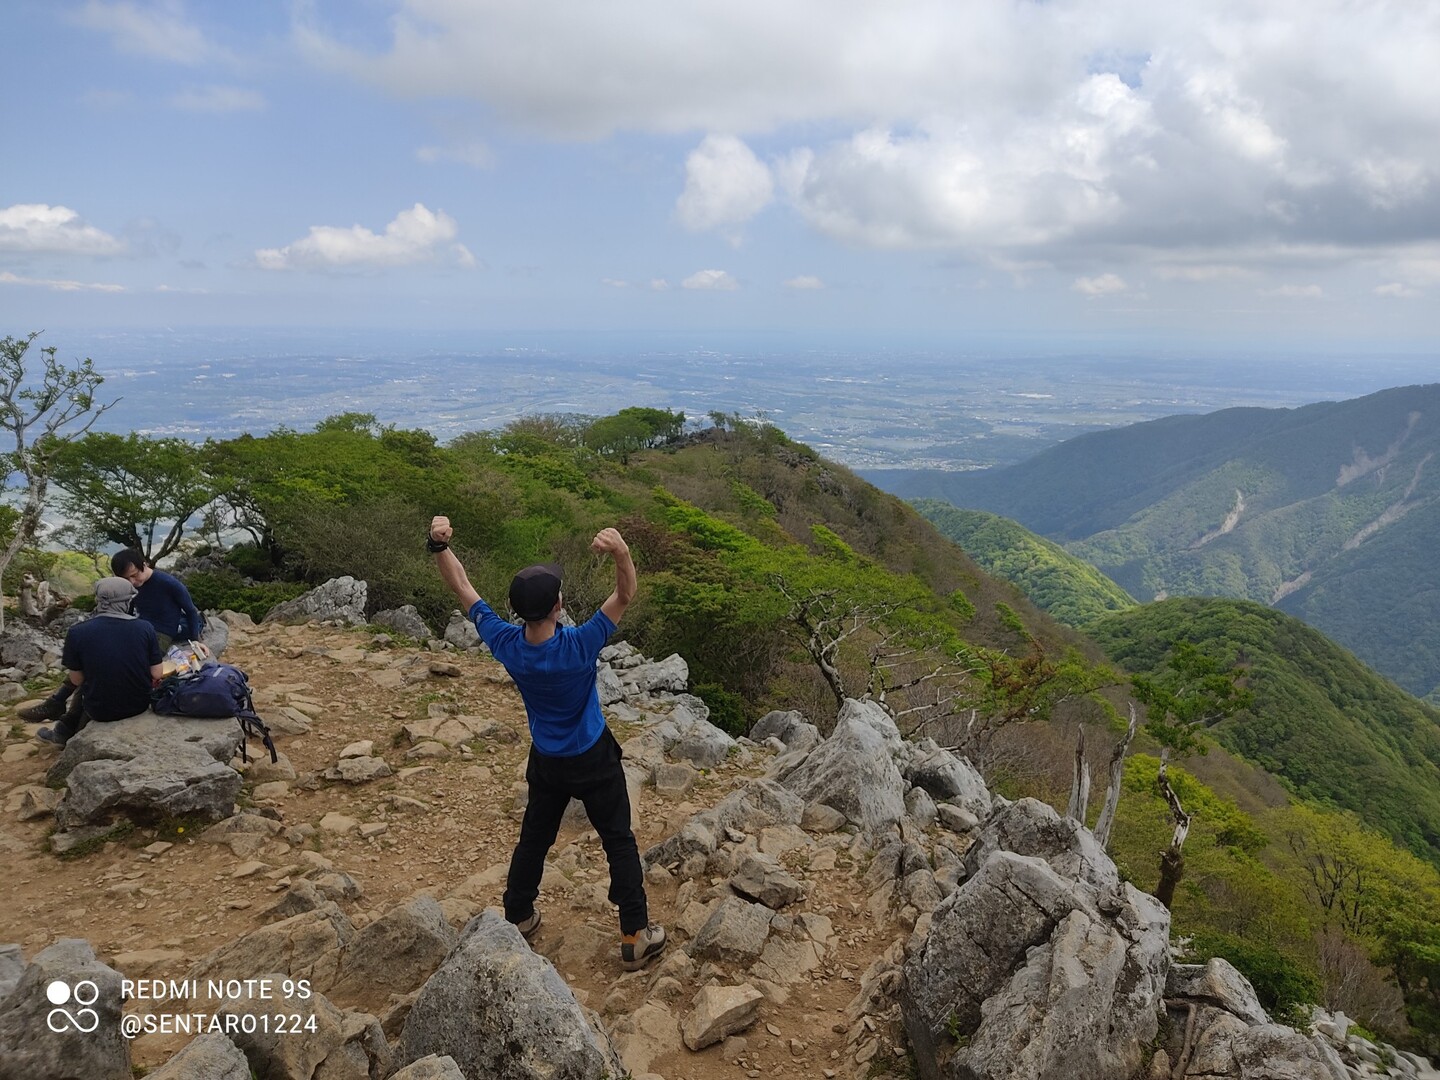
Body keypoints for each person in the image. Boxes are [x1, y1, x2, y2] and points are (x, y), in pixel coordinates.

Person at [428, 515, 666, 970]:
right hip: (593, 756)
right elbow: (624, 595)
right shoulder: (580, 644)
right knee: (618, 839)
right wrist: (621, 552)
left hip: (548, 760)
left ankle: (518, 914)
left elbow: (462, 587)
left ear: (518, 610)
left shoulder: (506, 643)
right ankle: (635, 934)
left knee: (535, 838)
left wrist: (439, 546)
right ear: (558, 606)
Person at [35, 577, 162, 746]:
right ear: (128, 601)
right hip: (138, 705)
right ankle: (63, 732)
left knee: (90, 685)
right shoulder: (145, 628)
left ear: (98, 600)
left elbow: (76, 680)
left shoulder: (77, 632)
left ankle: (62, 731)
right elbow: (157, 673)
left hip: (99, 711)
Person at [111, 548, 204, 650]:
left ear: (144, 565)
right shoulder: (131, 585)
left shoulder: (168, 583)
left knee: (140, 653)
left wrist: (195, 640)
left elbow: (190, 610)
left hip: (163, 631)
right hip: (143, 626)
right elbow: (129, 609)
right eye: (126, 578)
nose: (132, 581)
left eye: (134, 575)